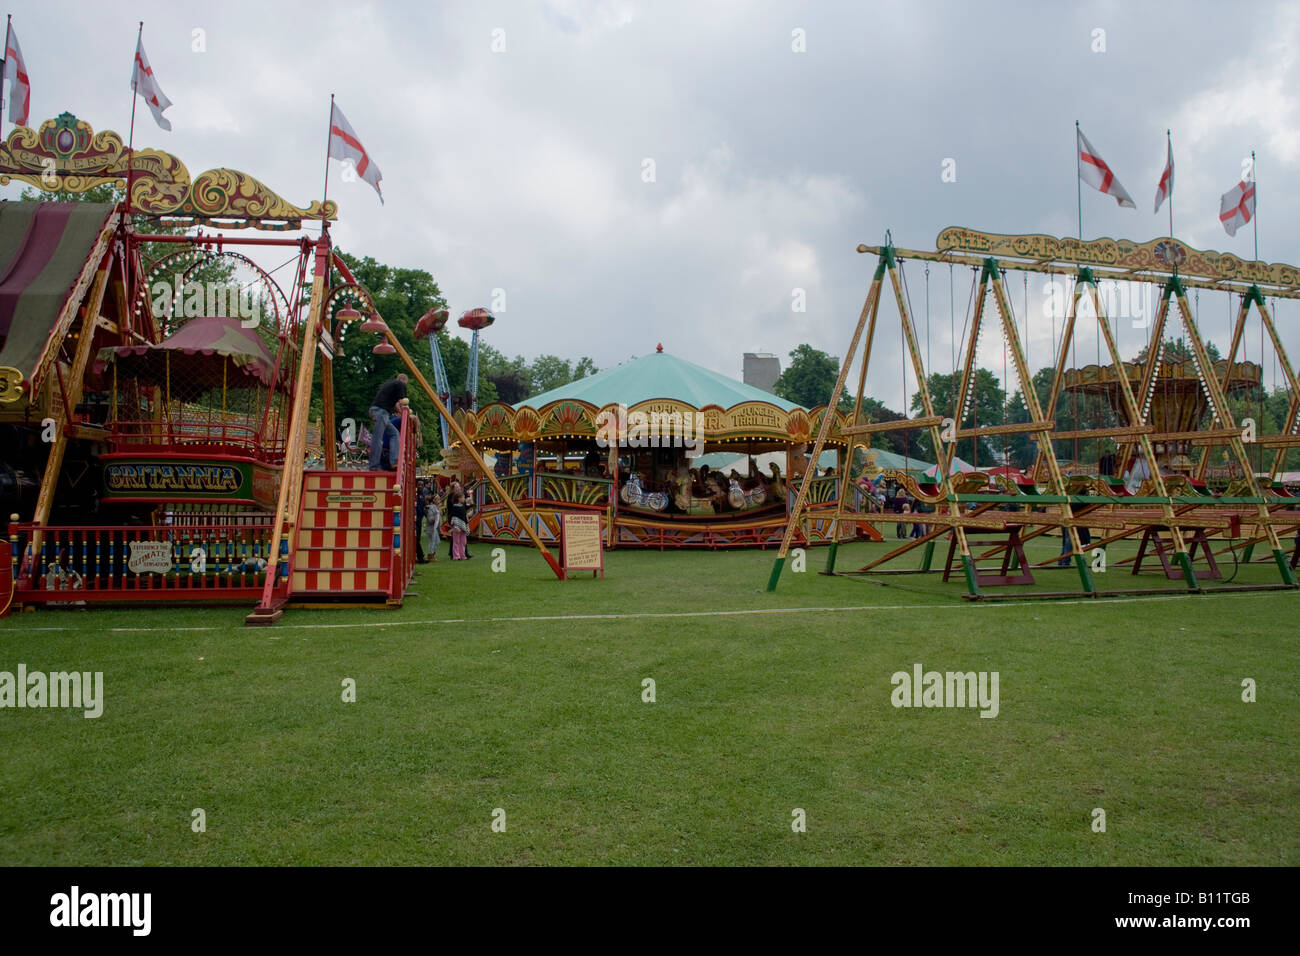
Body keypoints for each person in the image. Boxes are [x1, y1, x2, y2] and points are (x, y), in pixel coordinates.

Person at [368, 374, 408, 470]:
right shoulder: (400, 384)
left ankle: (394, 461)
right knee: (377, 438)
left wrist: (400, 410)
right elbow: (402, 401)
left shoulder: (390, 385)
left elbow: (396, 405)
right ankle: (374, 466)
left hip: (378, 411)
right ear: (404, 381)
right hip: (381, 412)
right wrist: (406, 412)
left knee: (395, 434)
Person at [448, 490, 469, 560]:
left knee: (463, 542)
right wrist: (455, 525)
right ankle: (456, 556)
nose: (464, 499)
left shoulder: (463, 506)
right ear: (458, 498)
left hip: (463, 526)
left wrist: (466, 524)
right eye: (463, 497)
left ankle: (462, 555)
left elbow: (465, 514)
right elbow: (453, 517)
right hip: (456, 526)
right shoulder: (455, 507)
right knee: (456, 541)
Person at [425, 490, 441, 562]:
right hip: (431, 528)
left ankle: (432, 554)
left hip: (436, 528)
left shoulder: (437, 507)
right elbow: (430, 519)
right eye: (438, 499)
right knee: (433, 541)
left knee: (436, 541)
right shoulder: (431, 507)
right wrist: (435, 518)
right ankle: (430, 556)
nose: (439, 500)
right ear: (434, 500)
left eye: (439, 499)